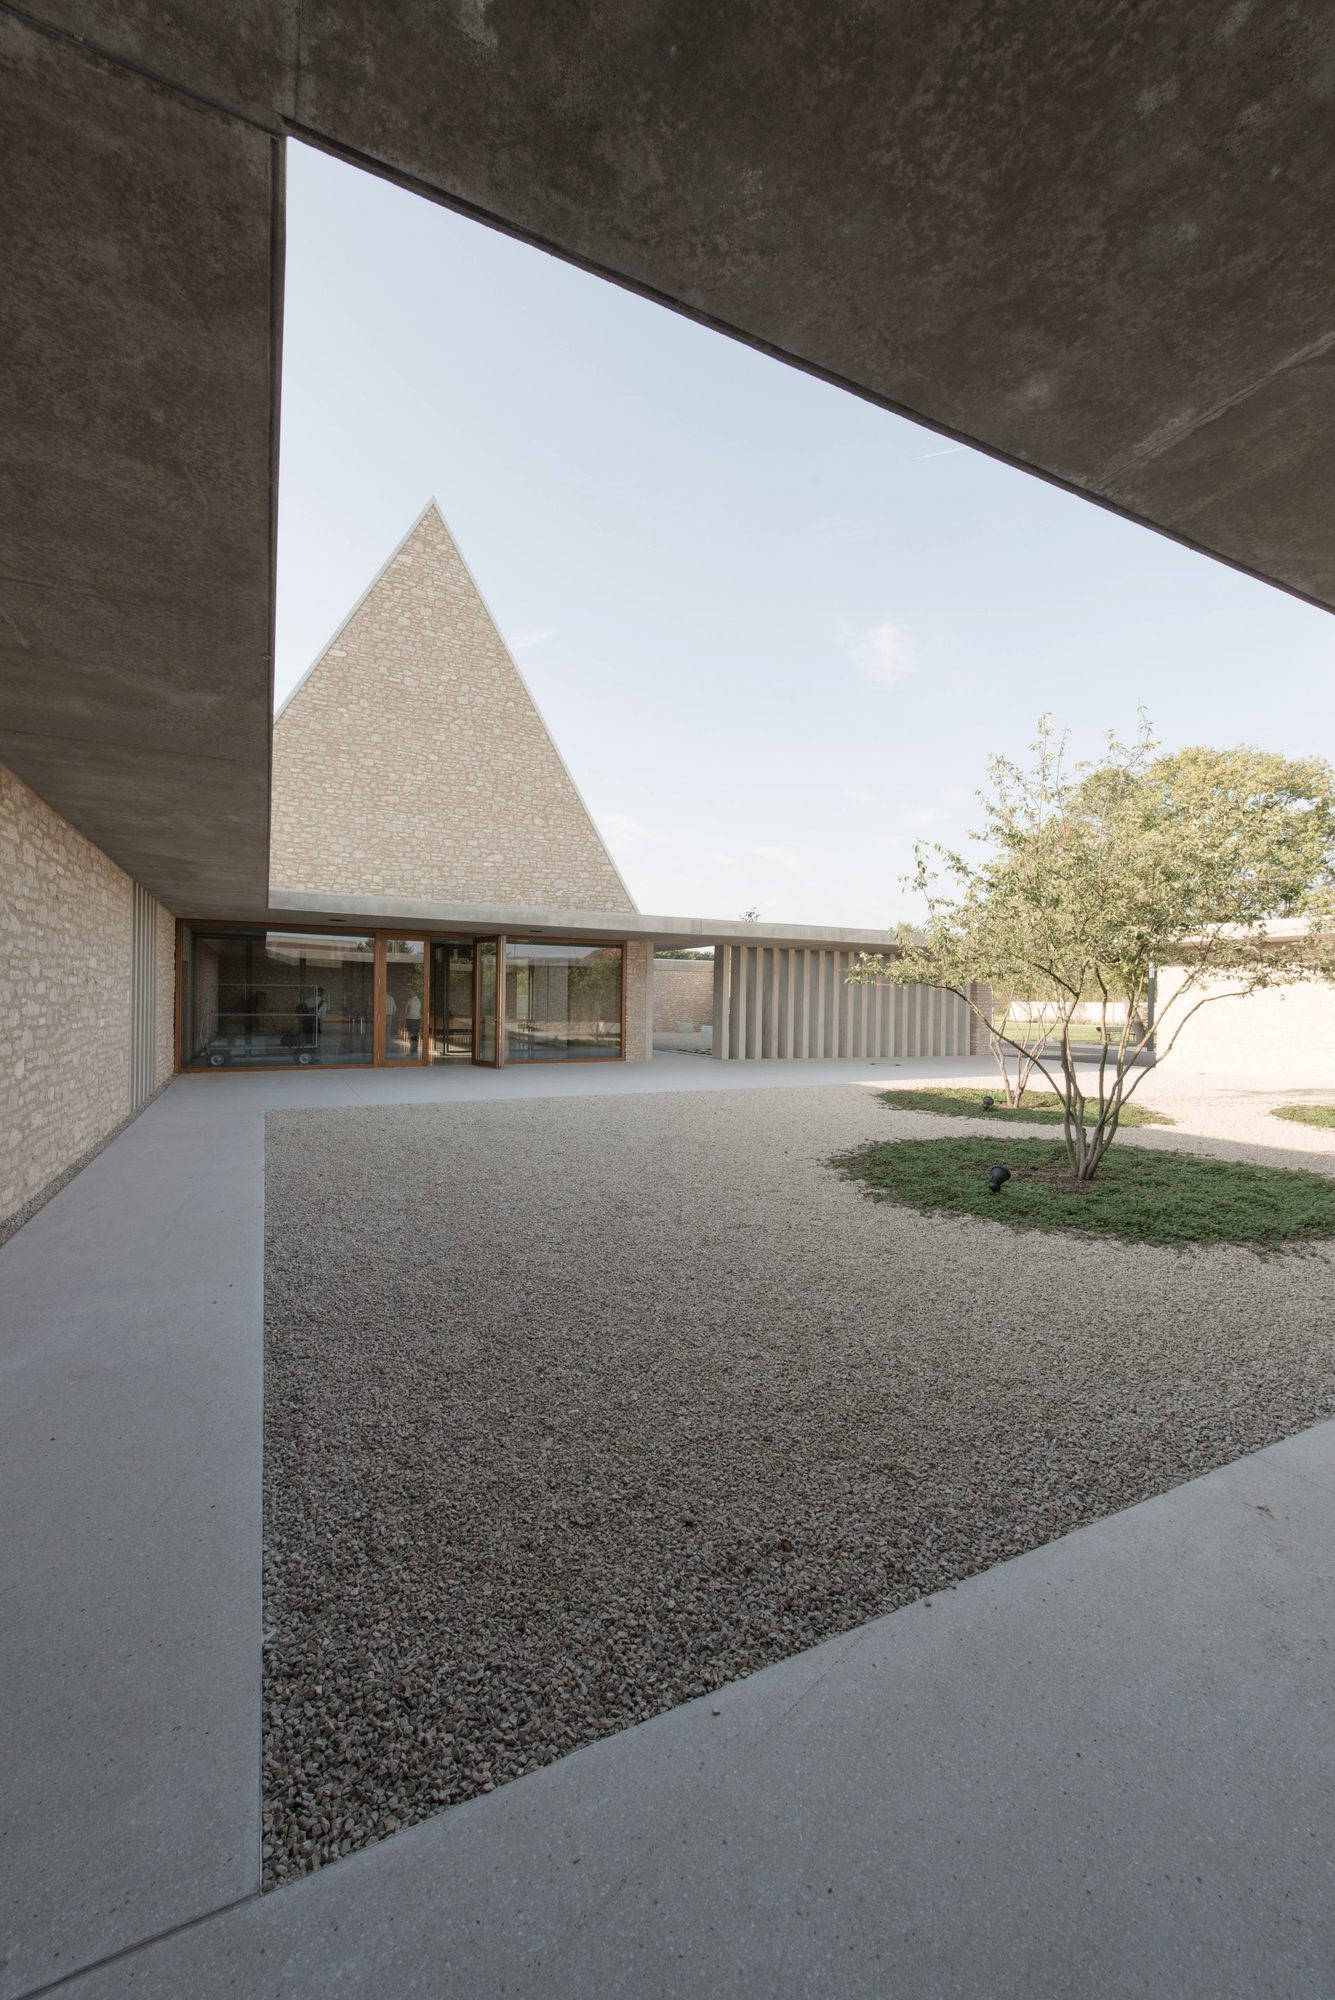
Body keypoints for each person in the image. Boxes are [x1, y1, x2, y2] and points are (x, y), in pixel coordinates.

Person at [405, 986, 422, 1056]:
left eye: (411, 992)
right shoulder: (419, 1001)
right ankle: (415, 1049)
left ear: (414, 992)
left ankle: (412, 1050)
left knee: (411, 1034)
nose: (410, 993)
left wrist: (405, 1017)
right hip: (418, 1018)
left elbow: (407, 1010)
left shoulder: (410, 1000)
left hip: (411, 1019)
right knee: (415, 1034)